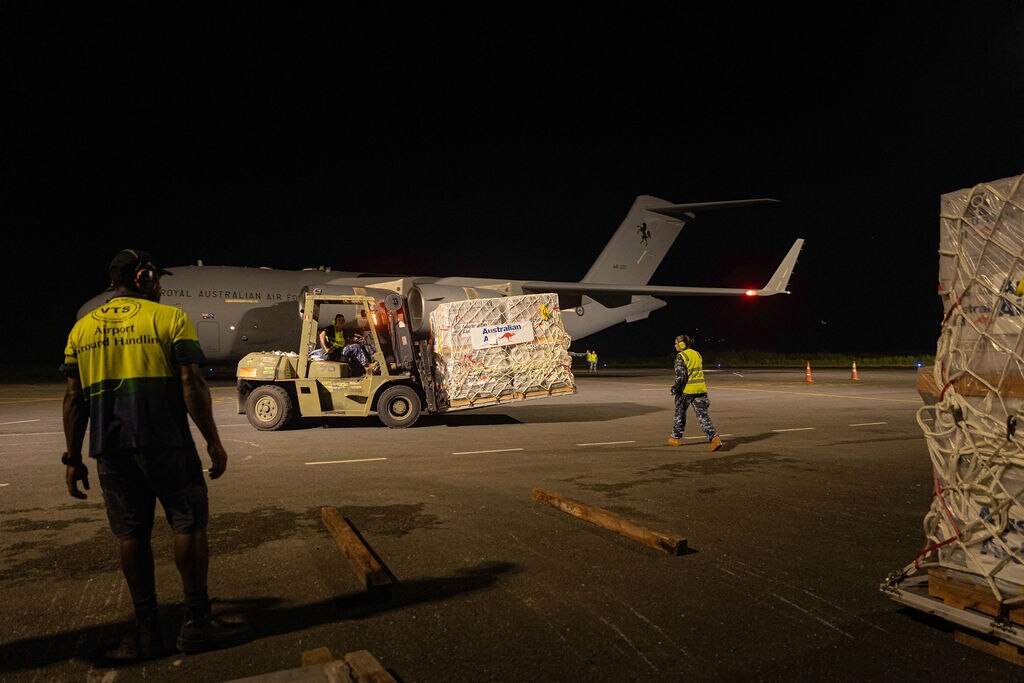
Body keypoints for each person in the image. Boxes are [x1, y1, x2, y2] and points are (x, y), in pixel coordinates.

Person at [61, 249, 251, 661]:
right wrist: (213, 441)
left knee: (131, 535)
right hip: (167, 443)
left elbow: (74, 398)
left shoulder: (82, 330)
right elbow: (192, 384)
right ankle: (196, 622)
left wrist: (73, 458)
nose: (160, 287)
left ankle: (146, 629)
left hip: (111, 450)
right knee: (188, 524)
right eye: (156, 279)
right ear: (144, 278)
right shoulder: (170, 318)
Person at [666, 333, 723, 452]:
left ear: (682, 344)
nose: (674, 345)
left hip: (686, 391)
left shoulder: (681, 356)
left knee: (679, 413)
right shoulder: (697, 354)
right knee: (703, 416)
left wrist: (675, 389)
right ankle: (715, 438)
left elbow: (681, 377)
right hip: (700, 389)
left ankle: (675, 438)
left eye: (676, 343)